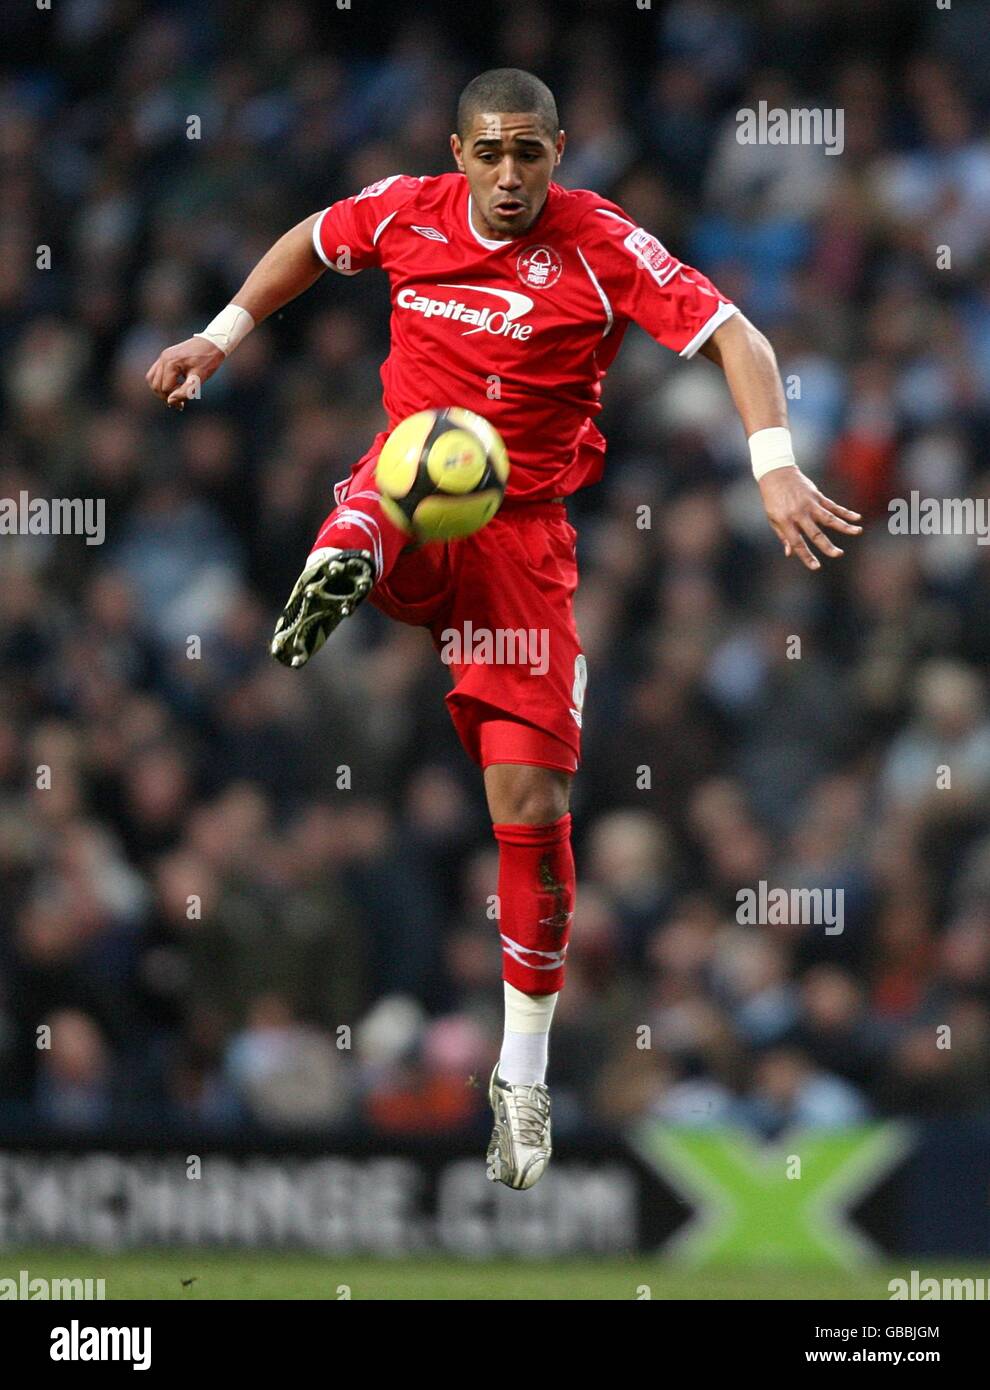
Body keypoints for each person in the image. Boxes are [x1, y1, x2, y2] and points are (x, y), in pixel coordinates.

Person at [146, 68, 862, 1190]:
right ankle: (345, 552)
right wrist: (220, 335)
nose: (513, 175)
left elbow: (741, 339)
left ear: (561, 151)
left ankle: (519, 1075)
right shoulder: (402, 209)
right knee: (400, 472)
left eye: (533, 154)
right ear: (459, 151)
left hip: (523, 550)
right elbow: (304, 240)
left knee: (531, 811)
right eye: (492, 154)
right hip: (422, 494)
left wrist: (773, 468)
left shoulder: (604, 243)